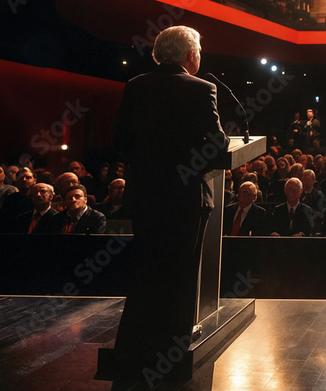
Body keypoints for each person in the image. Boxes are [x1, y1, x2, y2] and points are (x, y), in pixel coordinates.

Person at [109, 25, 229, 382]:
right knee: (180, 275)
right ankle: (171, 355)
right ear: (190, 54)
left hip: (145, 196)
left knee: (146, 270)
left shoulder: (136, 86)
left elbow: (121, 141)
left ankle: (134, 350)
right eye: (199, 51)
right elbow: (218, 145)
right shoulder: (201, 88)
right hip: (184, 198)